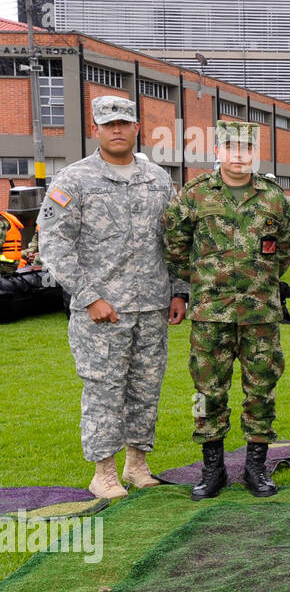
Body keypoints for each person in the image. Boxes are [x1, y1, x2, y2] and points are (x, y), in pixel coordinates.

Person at [38, 96, 187, 499]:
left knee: (145, 388)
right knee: (104, 390)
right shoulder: (74, 180)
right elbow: (53, 244)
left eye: (124, 122)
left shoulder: (157, 178)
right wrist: (89, 298)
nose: (117, 130)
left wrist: (179, 291)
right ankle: (103, 473)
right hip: (102, 311)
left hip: (153, 307)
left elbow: (173, 241)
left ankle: (137, 465)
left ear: (137, 126)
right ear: (96, 129)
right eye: (109, 124)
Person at [164, 121, 290, 500]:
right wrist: (203, 280)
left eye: (247, 148)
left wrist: (261, 279)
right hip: (210, 313)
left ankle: (256, 466)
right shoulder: (195, 195)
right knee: (207, 391)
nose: (239, 154)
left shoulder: (275, 198)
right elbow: (175, 243)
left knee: (261, 388)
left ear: (256, 153)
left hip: (260, 313)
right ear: (218, 151)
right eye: (231, 147)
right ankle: (213, 468)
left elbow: (285, 246)